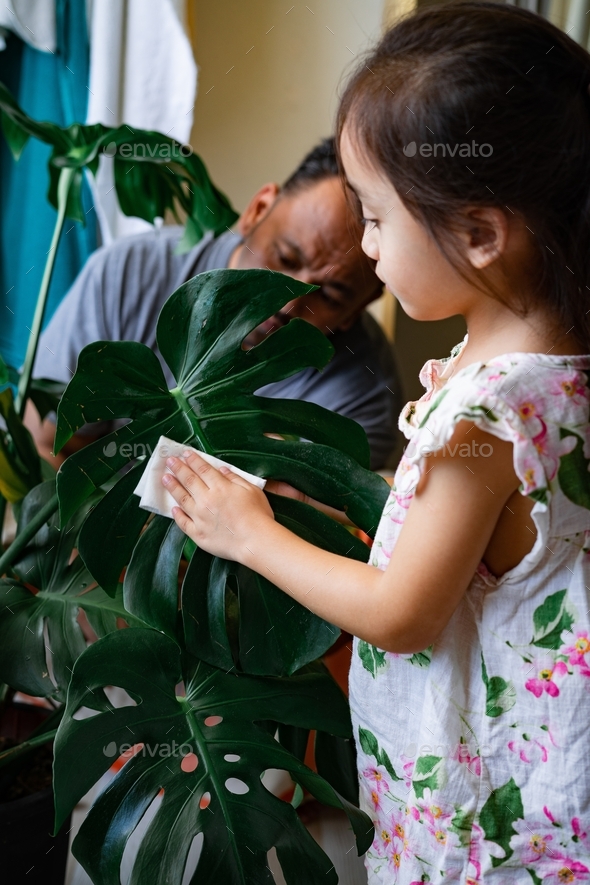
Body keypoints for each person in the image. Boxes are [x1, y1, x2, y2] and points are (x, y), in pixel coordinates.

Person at [156, 3, 590, 882]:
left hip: (476, 808)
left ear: (478, 233)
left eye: (378, 217)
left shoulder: (486, 413)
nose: (364, 246)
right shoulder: (558, 359)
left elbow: (402, 612)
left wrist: (251, 531)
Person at [28, 138, 402, 470]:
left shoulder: (360, 399)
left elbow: (295, 533)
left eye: (330, 296)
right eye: (286, 259)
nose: (290, 301)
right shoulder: (130, 273)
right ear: (257, 209)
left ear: (360, 306)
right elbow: (47, 446)